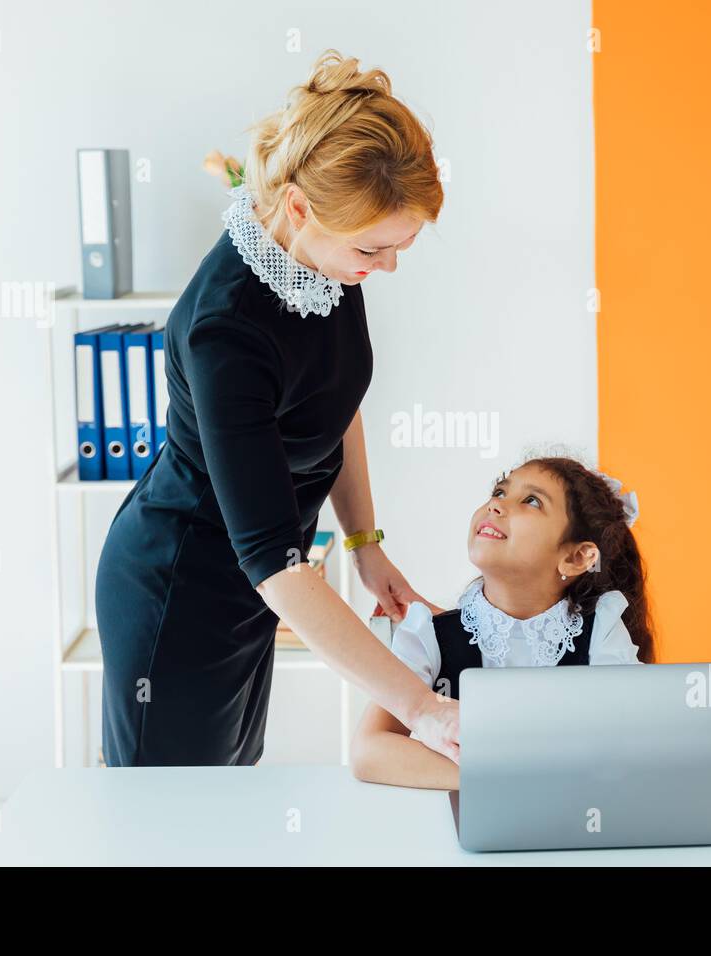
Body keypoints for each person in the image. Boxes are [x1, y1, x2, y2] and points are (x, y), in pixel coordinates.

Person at [96, 49, 458, 767]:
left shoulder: (322, 259)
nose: (385, 267)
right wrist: (421, 709)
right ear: (298, 207)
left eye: (399, 246)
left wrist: (364, 545)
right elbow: (277, 568)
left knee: (231, 794)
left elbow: (338, 405)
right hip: (182, 592)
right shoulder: (226, 328)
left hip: (260, 589)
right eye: (375, 248)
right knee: (168, 825)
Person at [350, 456, 655, 789]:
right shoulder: (428, 635)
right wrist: (507, 780)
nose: (496, 504)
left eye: (532, 501)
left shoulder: (601, 633)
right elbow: (369, 750)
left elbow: (632, 745)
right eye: (499, 490)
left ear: (577, 557)